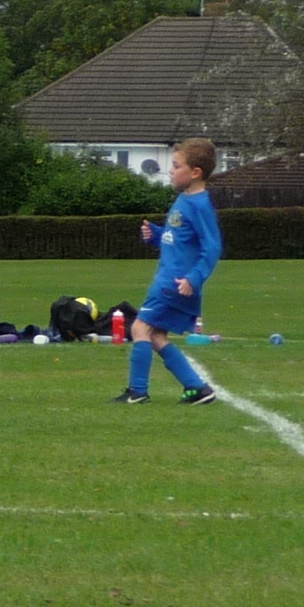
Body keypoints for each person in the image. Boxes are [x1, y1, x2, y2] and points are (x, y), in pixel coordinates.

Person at [112, 137, 224, 406]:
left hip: (173, 283)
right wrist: (156, 236)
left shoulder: (199, 205)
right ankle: (197, 388)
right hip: (171, 280)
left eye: (176, 165)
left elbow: (213, 246)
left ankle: (137, 391)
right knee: (157, 336)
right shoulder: (185, 200)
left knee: (140, 328)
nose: (171, 170)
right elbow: (180, 239)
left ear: (195, 172)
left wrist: (193, 278)